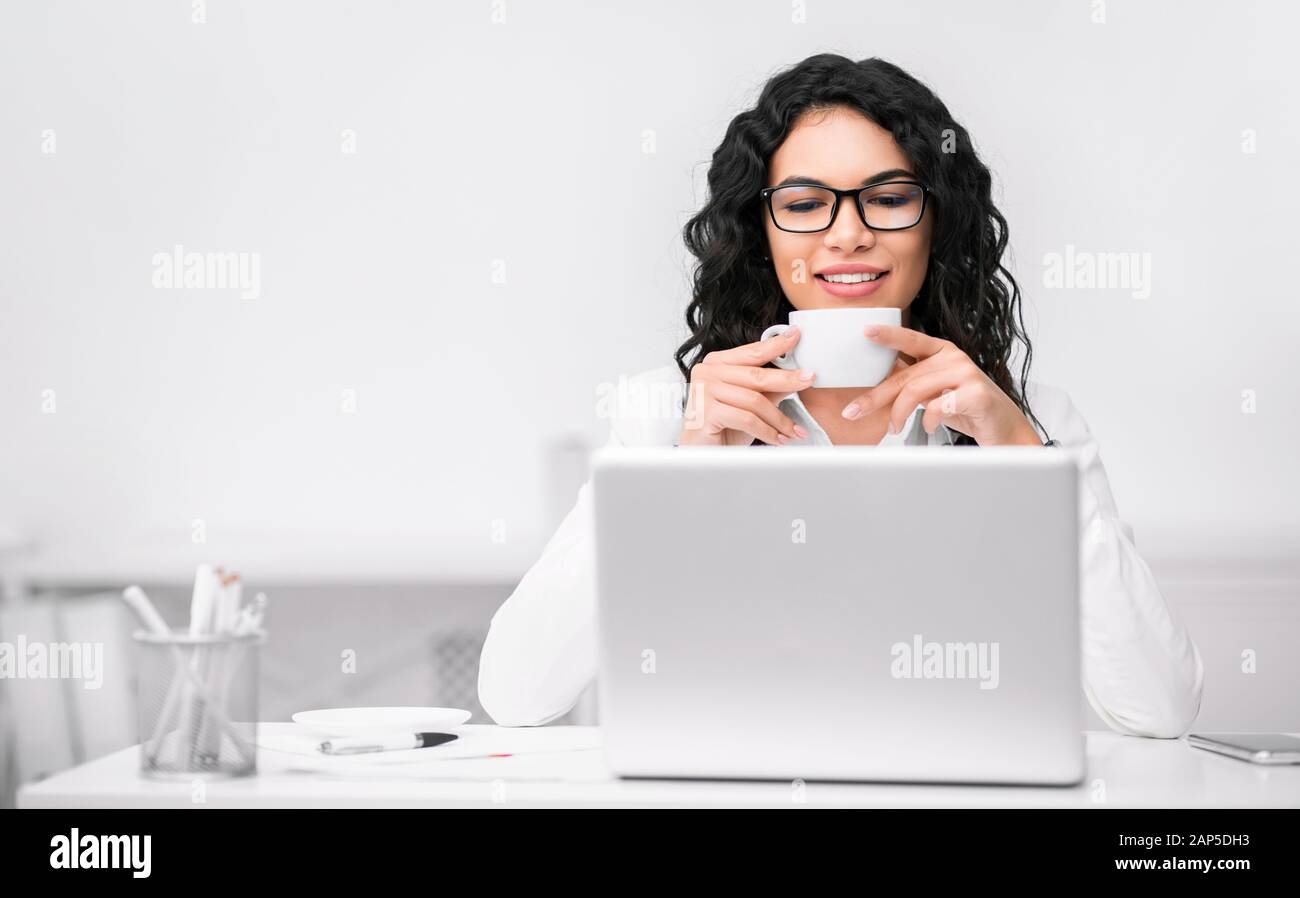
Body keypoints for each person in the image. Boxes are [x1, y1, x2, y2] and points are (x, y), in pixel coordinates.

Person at [477, 54, 1203, 738]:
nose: (848, 234)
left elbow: (1159, 708)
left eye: (889, 199)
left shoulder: (1024, 420)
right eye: (805, 203)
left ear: (936, 223)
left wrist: (1025, 456)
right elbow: (516, 694)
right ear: (762, 232)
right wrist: (679, 472)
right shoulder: (666, 412)